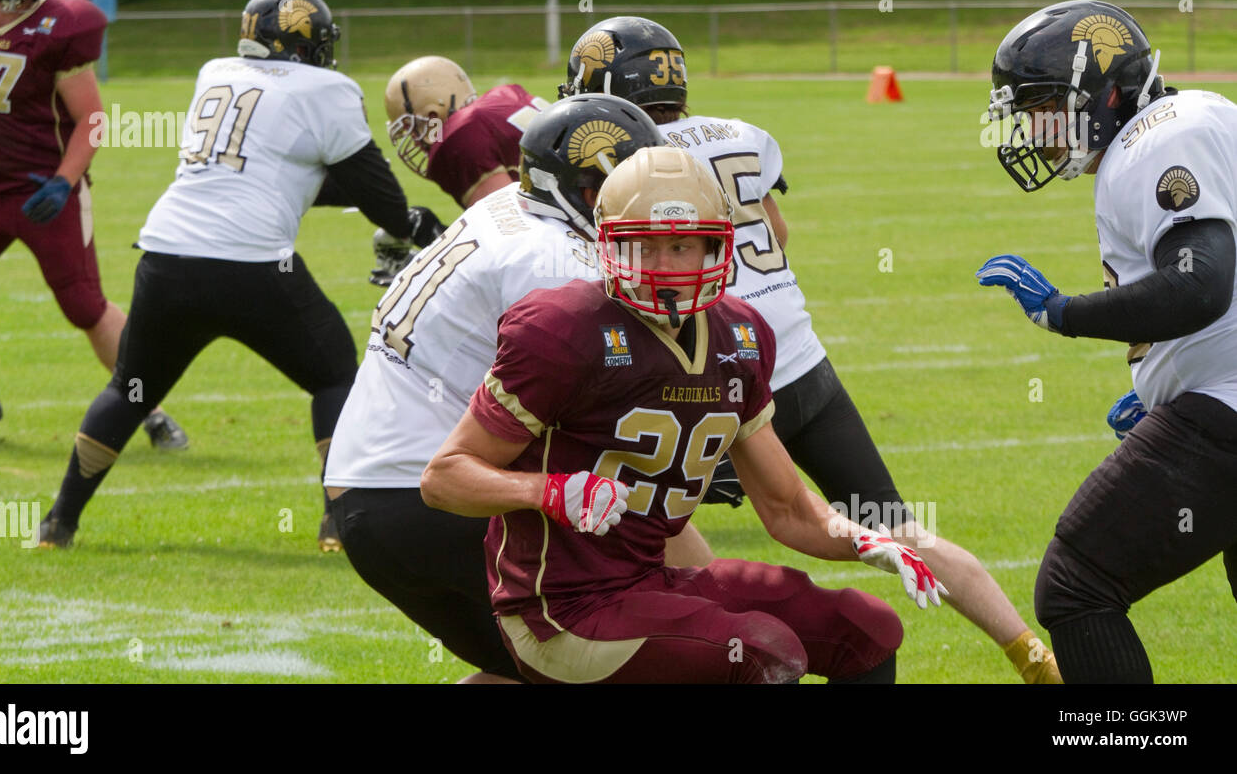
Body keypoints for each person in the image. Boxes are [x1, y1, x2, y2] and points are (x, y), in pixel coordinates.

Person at [560, 15, 1062, 682]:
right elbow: (777, 231)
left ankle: (725, 636)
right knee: (897, 525)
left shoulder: (632, 157)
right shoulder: (741, 134)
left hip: (709, 367)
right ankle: (1030, 650)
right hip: (795, 355)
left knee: (650, 521)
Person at [421, 145, 945, 684]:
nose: (665, 268)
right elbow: (444, 477)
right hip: (562, 612)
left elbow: (788, 508)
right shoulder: (563, 328)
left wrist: (860, 538)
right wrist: (546, 492)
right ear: (608, 247)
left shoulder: (740, 336)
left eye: (680, 246)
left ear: (713, 247)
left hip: (653, 583)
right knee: (762, 649)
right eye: (644, 248)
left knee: (865, 629)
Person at [34, 0, 443, 551]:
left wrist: (377, 206)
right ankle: (337, 524)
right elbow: (373, 188)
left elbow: (267, 172)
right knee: (332, 374)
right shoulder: (326, 88)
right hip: (251, 265)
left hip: (167, 255)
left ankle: (59, 523)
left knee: (130, 388)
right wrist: (407, 223)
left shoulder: (216, 72)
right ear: (303, 44)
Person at [326, 95, 718, 682]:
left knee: (542, 669)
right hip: (434, 494)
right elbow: (608, 437)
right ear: (586, 191)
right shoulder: (555, 263)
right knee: (631, 656)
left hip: (382, 490)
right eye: (623, 188)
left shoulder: (513, 205)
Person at [977, 0, 1237, 684]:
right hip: (1219, 397)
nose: (1033, 127)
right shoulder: (1193, 120)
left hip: (1227, 409)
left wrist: (1065, 312)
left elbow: (1202, 282)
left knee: (1076, 582)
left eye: (1042, 104)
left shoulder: (1158, 139)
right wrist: (1166, 392)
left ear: (1106, 90)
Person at [0, 0, 186, 448]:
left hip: (45, 191)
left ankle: (151, 409)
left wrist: (63, 182)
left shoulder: (60, 26)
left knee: (84, 306)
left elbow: (92, 121)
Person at [369, 57, 549, 286]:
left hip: (570, 257)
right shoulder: (508, 96)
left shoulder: (460, 135)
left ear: (432, 115)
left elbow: (509, 239)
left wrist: (428, 239)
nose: (415, 140)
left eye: (413, 128)